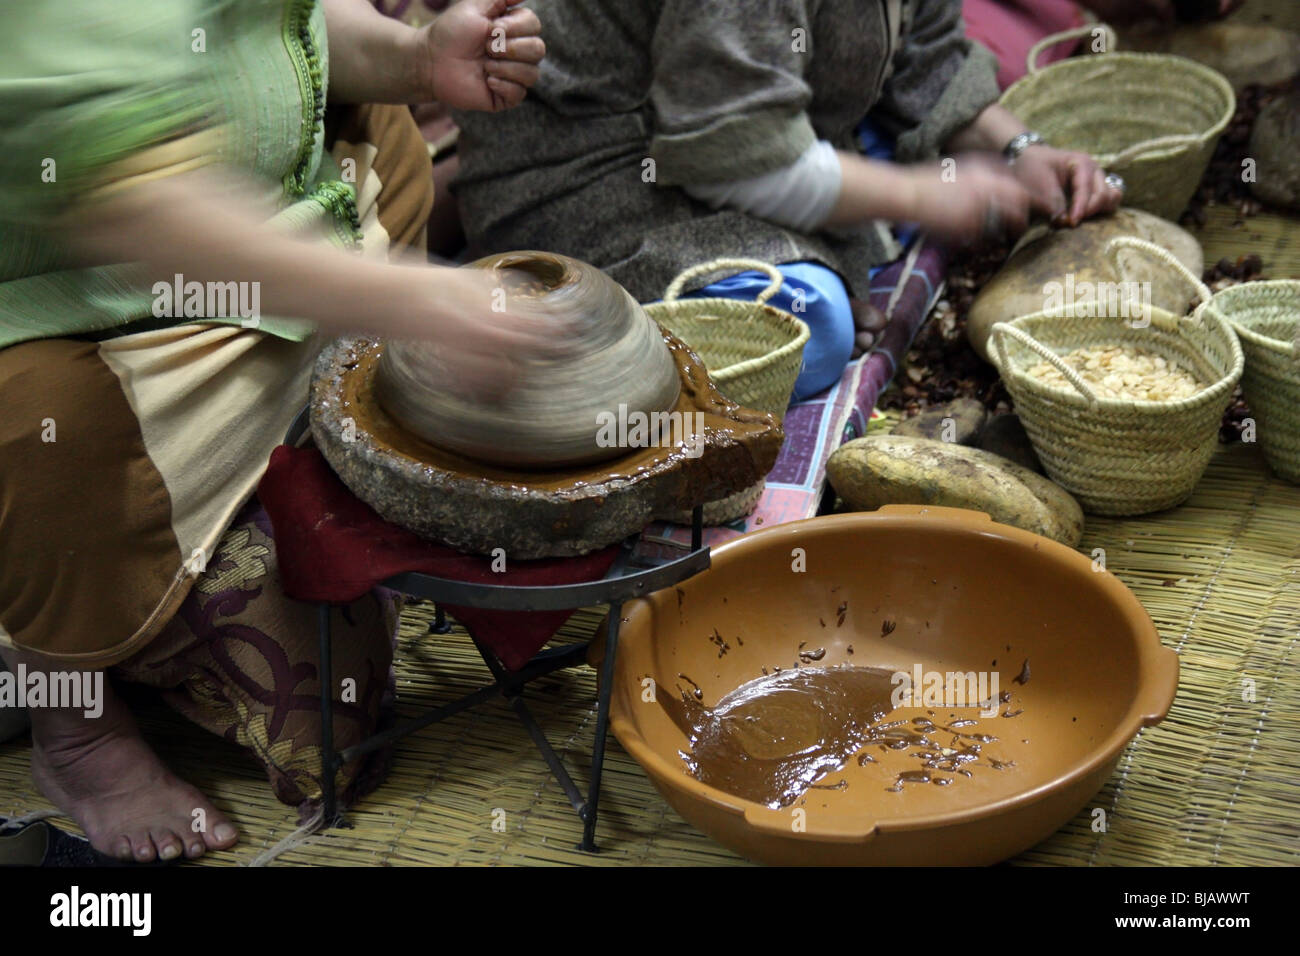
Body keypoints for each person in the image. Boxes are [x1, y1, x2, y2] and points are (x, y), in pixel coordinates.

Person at [0, 0, 557, 863]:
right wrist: (420, 301)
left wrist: (415, 61)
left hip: (278, 269)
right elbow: (142, 213)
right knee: (43, 432)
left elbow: (281, 25)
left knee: (385, 135)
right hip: (96, 322)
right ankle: (74, 731)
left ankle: (314, 427)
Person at [453, 0, 1124, 403]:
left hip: (724, 133)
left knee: (866, 199)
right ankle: (552, 336)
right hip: (586, 175)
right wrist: (927, 195)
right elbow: (730, 150)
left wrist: (1020, 151)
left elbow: (925, 55)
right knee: (810, 324)